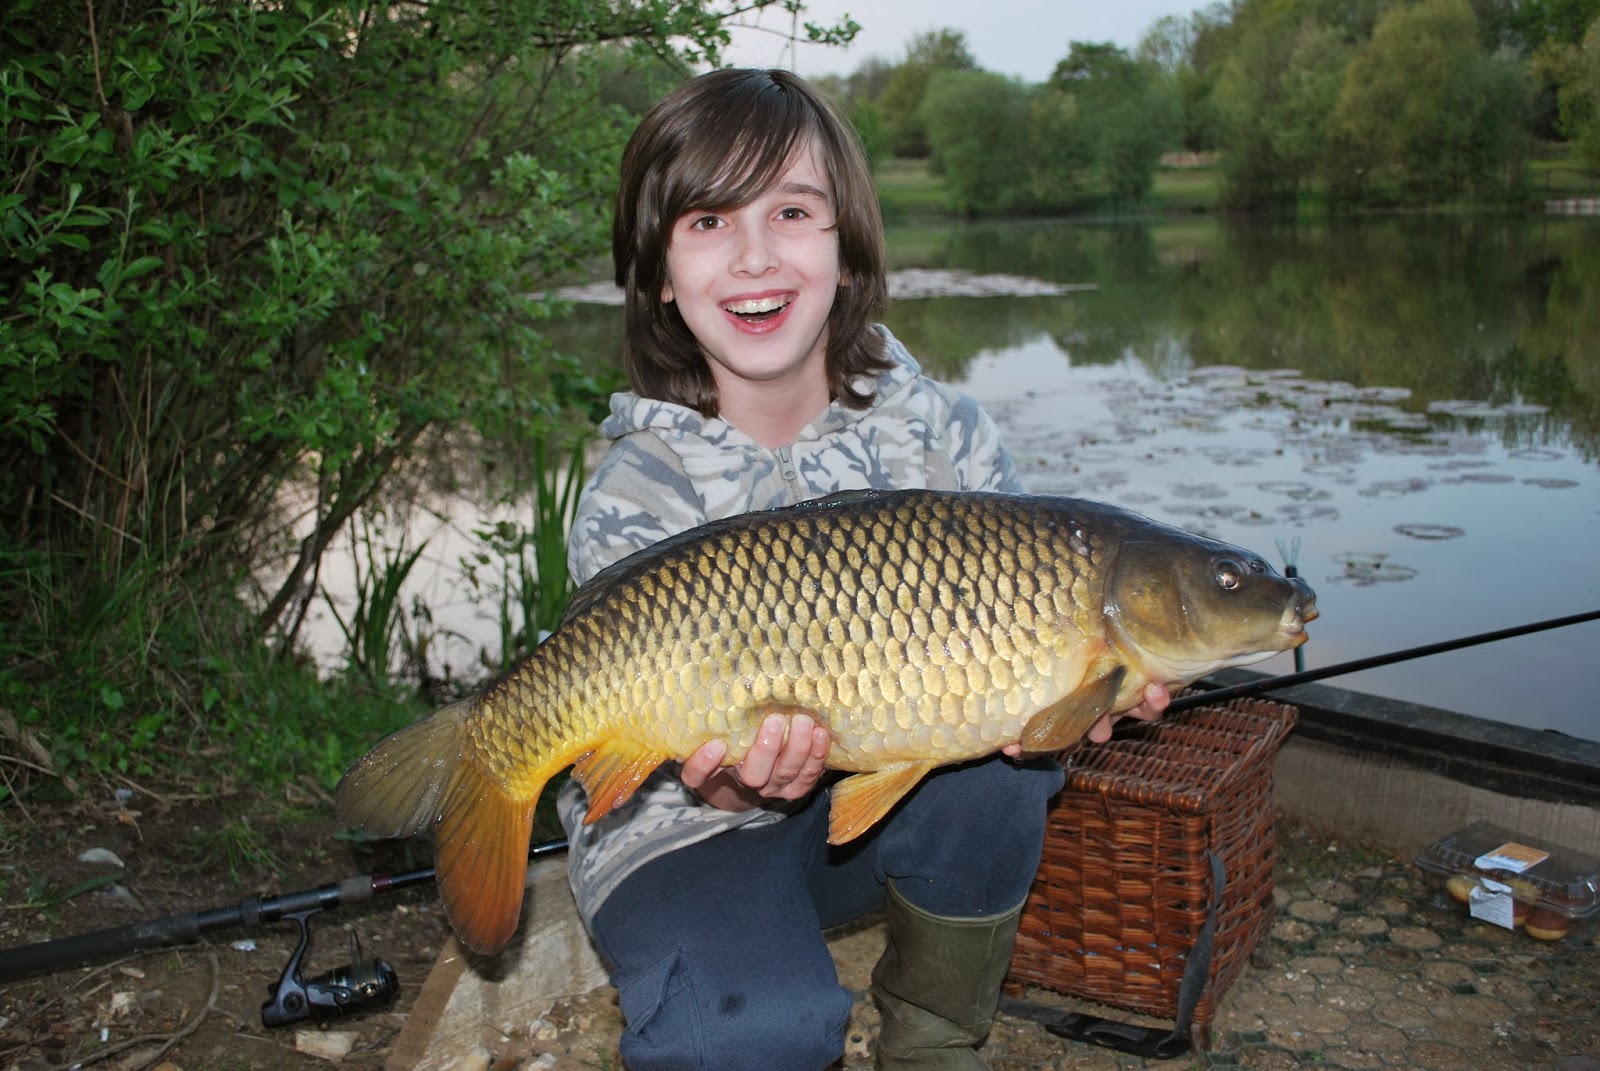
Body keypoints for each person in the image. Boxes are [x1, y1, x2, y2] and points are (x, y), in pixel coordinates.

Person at [558, 67, 1171, 1070]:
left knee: (1005, 769)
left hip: (865, 824)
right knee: (749, 1035)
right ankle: (749, 978)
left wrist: (1077, 702)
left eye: (793, 212)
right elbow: (674, 774)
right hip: (678, 831)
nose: (755, 255)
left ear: (847, 249)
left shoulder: (943, 434)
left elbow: (1037, 696)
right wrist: (735, 782)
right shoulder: (638, 489)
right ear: (660, 272)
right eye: (708, 221)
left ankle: (935, 1039)